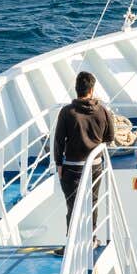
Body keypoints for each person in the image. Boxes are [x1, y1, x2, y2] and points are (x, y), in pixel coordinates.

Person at [52, 70, 114, 230]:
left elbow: (58, 141)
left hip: (72, 167)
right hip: (95, 165)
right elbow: (110, 137)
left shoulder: (67, 112)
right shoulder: (102, 111)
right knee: (92, 203)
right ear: (91, 90)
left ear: (76, 89)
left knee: (73, 206)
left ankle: (72, 248)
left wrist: (59, 163)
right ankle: (92, 239)